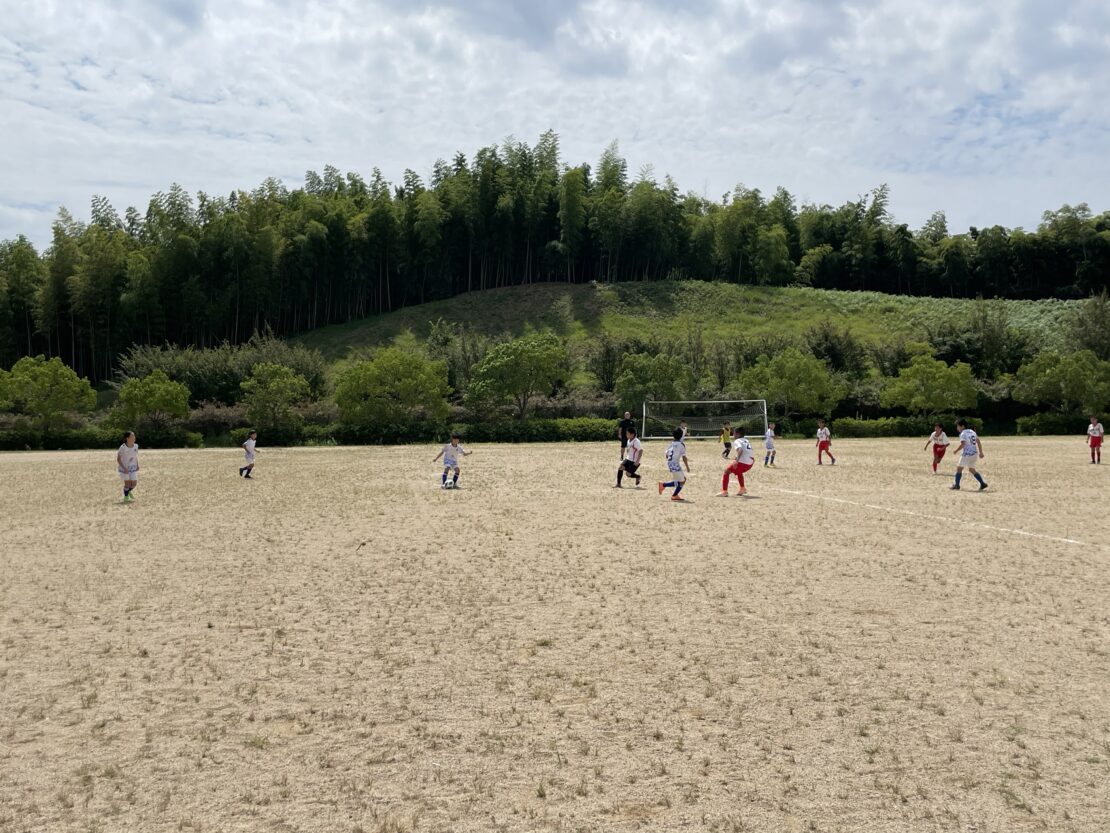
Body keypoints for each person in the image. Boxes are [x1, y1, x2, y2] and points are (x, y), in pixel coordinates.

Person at [950, 419, 988, 491]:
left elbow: (963, 444)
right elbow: (978, 442)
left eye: (958, 426)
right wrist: (981, 452)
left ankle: (957, 485)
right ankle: (982, 484)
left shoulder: (963, 433)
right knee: (972, 469)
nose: (957, 428)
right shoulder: (972, 431)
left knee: (959, 469)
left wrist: (956, 450)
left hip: (967, 454)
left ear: (962, 426)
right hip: (974, 454)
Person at [720, 427, 755, 496]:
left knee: (726, 471)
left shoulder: (737, 441)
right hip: (750, 462)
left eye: (734, 433)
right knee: (738, 471)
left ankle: (724, 492)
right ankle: (742, 489)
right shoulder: (746, 440)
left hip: (744, 462)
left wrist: (736, 460)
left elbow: (740, 450)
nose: (733, 435)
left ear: (738, 434)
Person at [657, 427, 690, 501]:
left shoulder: (671, 444)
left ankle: (674, 494)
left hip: (670, 463)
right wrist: (687, 467)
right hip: (675, 464)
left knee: (681, 480)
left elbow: (666, 455)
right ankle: (664, 486)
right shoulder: (681, 445)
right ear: (681, 436)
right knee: (682, 481)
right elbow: (684, 457)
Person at [117, 431, 139, 503]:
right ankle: (126, 497)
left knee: (134, 484)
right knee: (127, 484)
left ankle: (128, 491)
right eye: (132, 436)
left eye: (134, 436)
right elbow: (118, 459)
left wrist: (137, 465)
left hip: (133, 467)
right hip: (124, 468)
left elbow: (135, 456)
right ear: (127, 438)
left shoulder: (136, 446)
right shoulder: (122, 447)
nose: (134, 438)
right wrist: (124, 468)